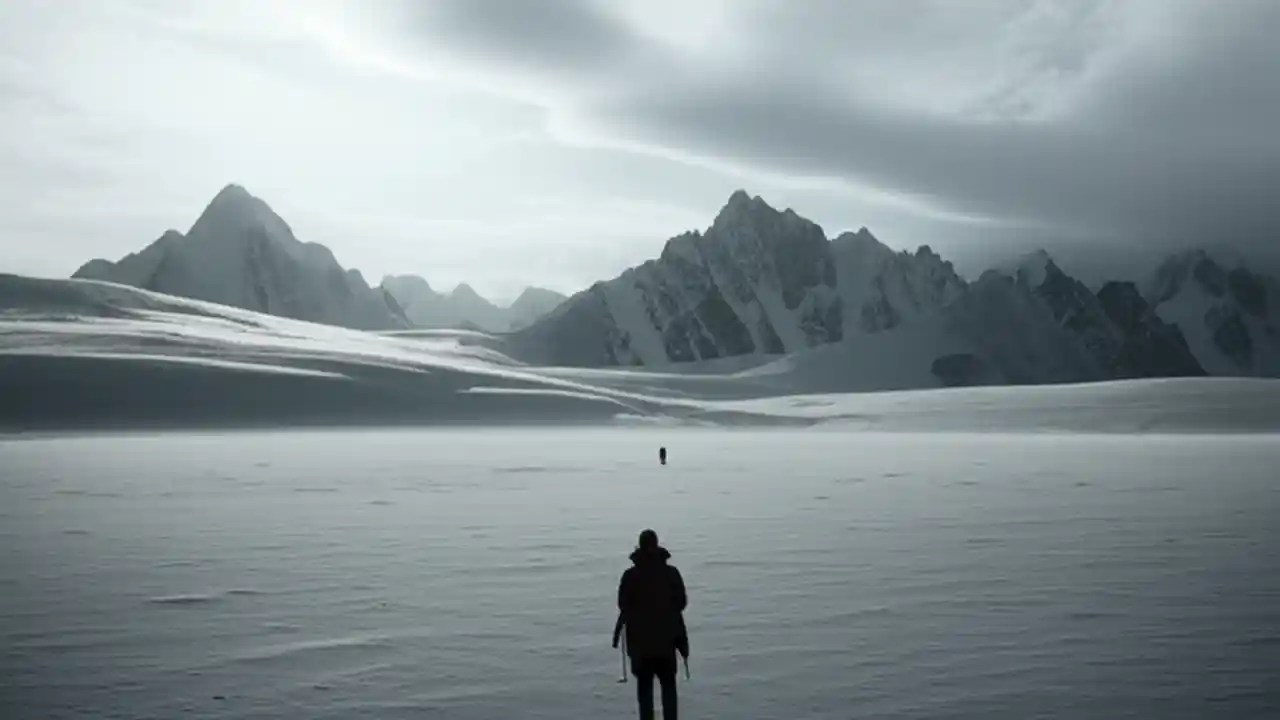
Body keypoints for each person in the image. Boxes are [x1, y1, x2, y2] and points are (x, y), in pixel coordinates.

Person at [614, 529, 688, 720]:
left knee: (644, 693)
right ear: (657, 545)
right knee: (669, 689)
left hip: (640, 646)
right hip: (666, 642)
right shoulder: (671, 573)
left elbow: (622, 604)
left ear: (639, 546)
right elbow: (681, 603)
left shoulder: (630, 576)